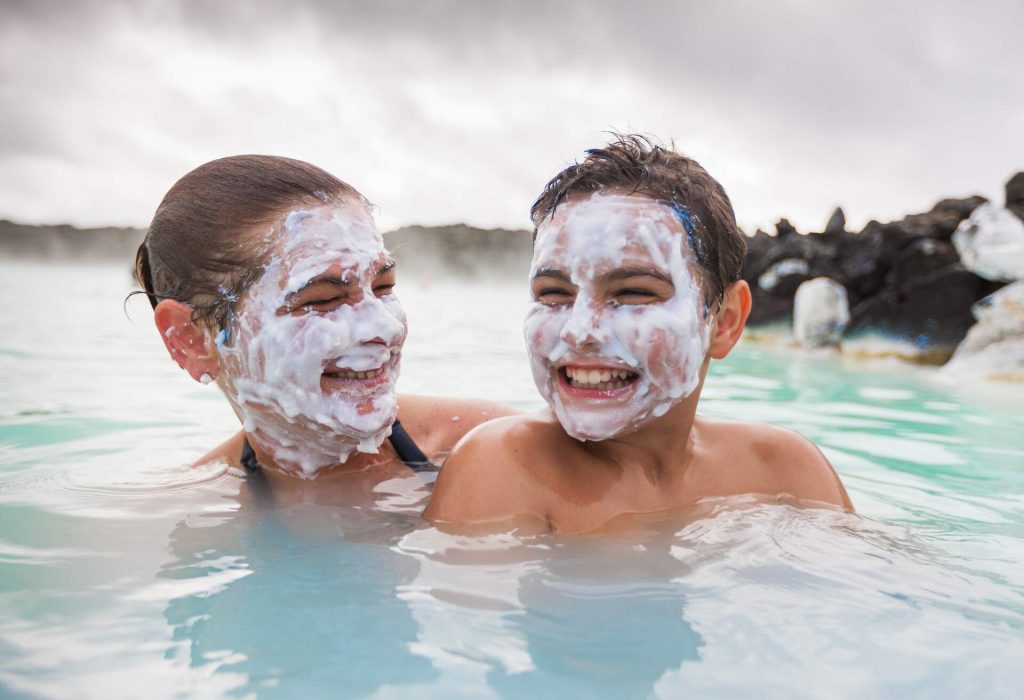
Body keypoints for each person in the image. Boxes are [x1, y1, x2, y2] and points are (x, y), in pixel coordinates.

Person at [426, 135, 853, 533]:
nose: (580, 331)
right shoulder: (504, 469)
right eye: (554, 294)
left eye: (632, 293)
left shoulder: (783, 471)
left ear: (723, 323)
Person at [135, 155, 513, 493]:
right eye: (323, 300)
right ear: (190, 340)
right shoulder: (186, 511)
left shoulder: (499, 451)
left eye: (383, 288)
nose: (384, 327)